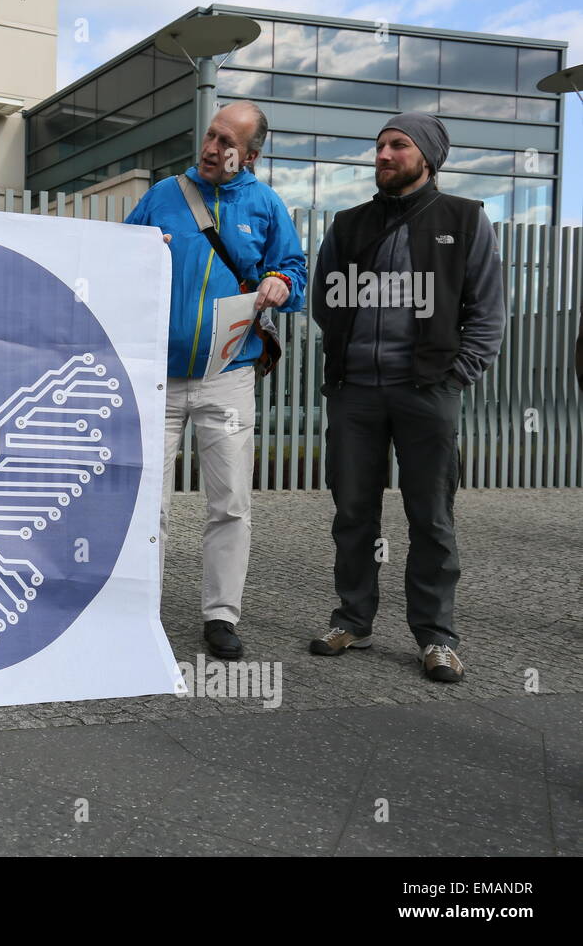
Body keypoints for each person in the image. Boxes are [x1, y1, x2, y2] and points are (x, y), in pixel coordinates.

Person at [308, 113, 505, 682]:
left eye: (398, 145)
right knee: (352, 513)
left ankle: (436, 636)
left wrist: (455, 375)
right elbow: (327, 299)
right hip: (356, 393)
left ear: (428, 156)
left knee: (432, 518)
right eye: (380, 146)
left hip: (427, 392)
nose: (384, 155)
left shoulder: (464, 219)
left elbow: (487, 311)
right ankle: (353, 620)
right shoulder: (348, 224)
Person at [125, 100, 307, 660]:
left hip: (228, 375)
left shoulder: (265, 204)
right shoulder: (162, 195)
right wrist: (138, 251)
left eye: (226, 142)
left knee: (229, 503)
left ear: (250, 155)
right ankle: (137, 614)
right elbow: (116, 258)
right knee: (145, 500)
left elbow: (296, 273)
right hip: (158, 376)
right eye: (209, 135)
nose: (211, 148)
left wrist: (279, 281)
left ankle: (221, 616)